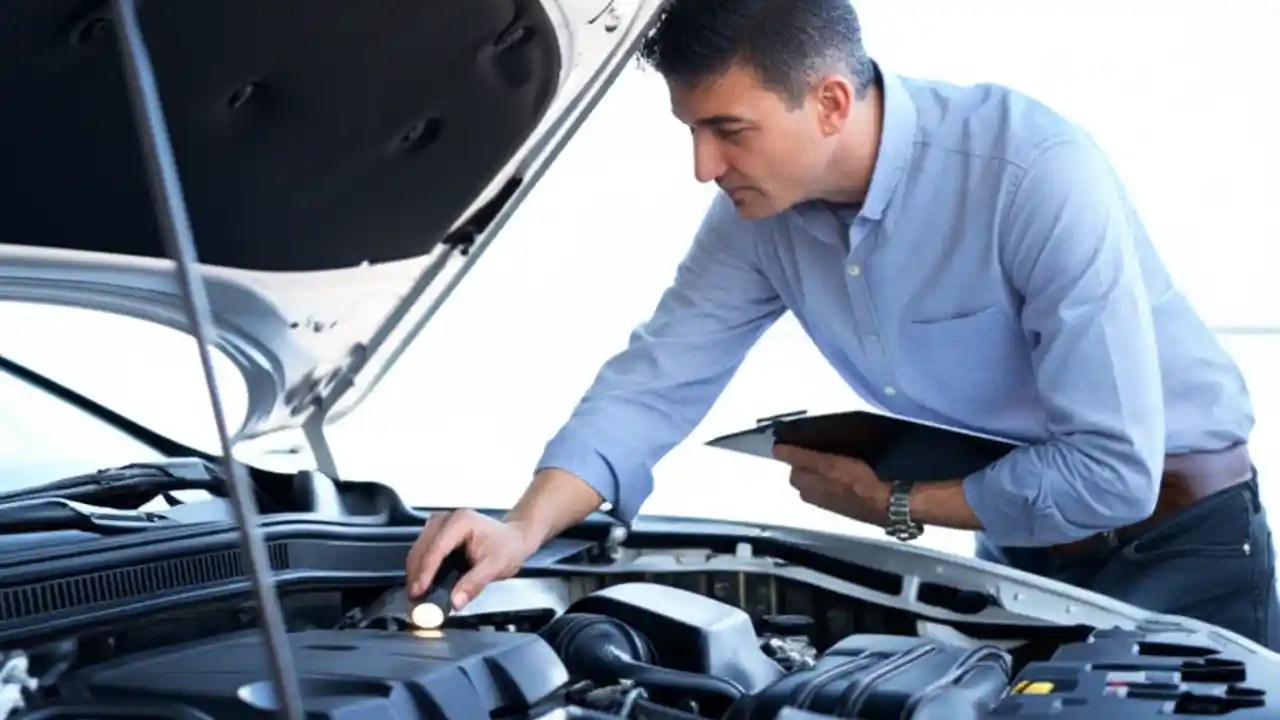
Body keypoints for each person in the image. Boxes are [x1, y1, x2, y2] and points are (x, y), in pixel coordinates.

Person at [405, 0, 1277, 648]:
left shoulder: (1031, 172)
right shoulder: (758, 222)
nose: (704, 166)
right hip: (1021, 542)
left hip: (1183, 541)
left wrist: (895, 505)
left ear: (827, 101)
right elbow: (654, 380)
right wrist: (521, 527)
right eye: (692, 130)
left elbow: (1112, 472)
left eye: (727, 130)